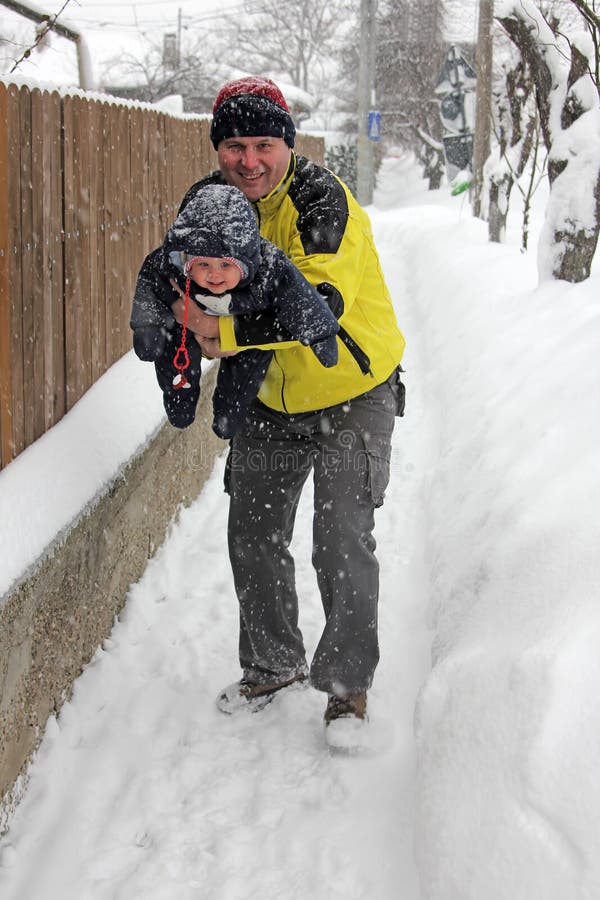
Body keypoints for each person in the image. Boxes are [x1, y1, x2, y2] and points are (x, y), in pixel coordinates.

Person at [171, 76, 406, 747]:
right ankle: (273, 664)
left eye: (264, 144)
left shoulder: (322, 200)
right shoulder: (210, 203)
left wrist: (223, 334)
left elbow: (318, 303)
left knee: (339, 542)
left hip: (352, 392)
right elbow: (176, 270)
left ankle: (346, 689)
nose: (250, 160)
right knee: (253, 533)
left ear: (287, 144)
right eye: (235, 145)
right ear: (219, 148)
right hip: (269, 398)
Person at [130, 183, 339, 438]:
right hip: (183, 329)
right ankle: (180, 403)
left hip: (248, 324)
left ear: (246, 262)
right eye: (203, 263)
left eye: (226, 265)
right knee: (175, 361)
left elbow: (299, 297)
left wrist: (320, 333)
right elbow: (149, 286)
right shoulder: (168, 266)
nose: (214, 275)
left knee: (244, 377)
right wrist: (147, 328)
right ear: (185, 259)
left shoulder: (268, 267)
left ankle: (229, 414)